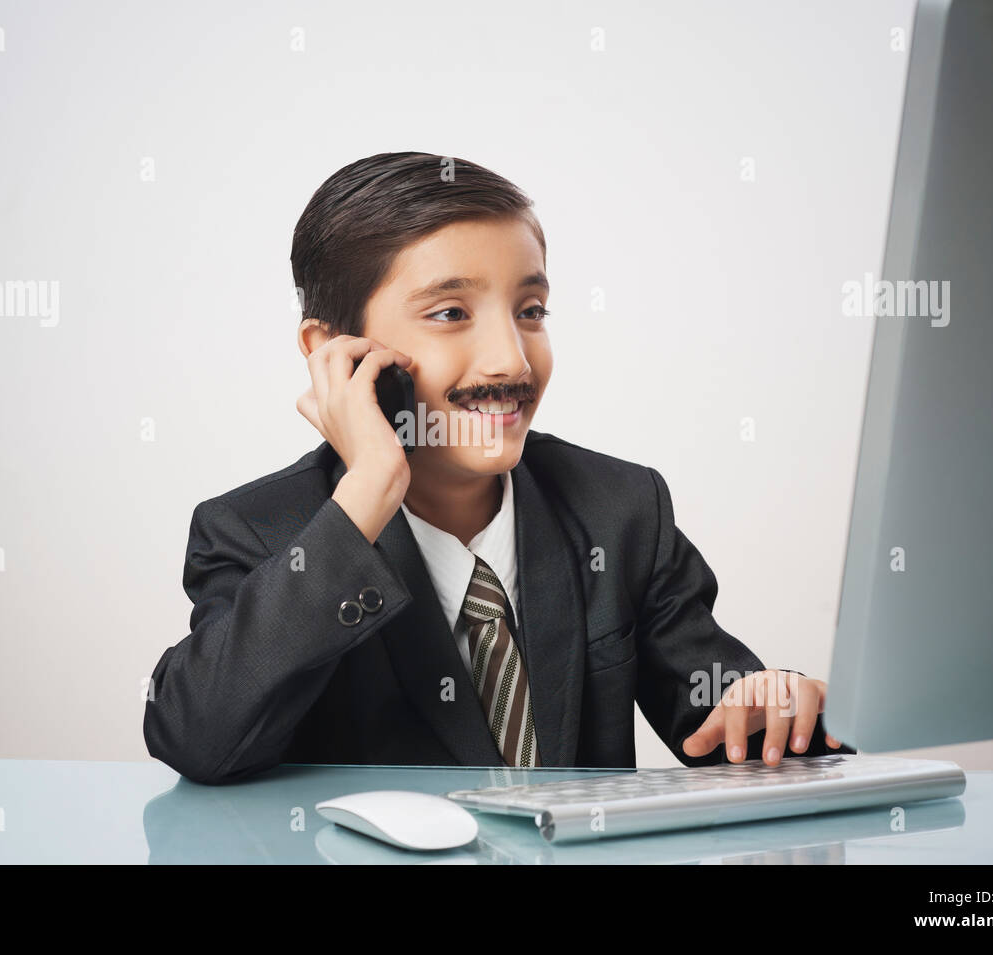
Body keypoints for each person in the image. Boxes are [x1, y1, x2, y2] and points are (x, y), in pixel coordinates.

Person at [143, 151, 850, 784]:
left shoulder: (619, 508)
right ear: (334, 350)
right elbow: (201, 736)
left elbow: (716, 707)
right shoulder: (261, 532)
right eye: (451, 312)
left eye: (532, 310)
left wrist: (766, 709)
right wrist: (364, 496)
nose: (512, 360)